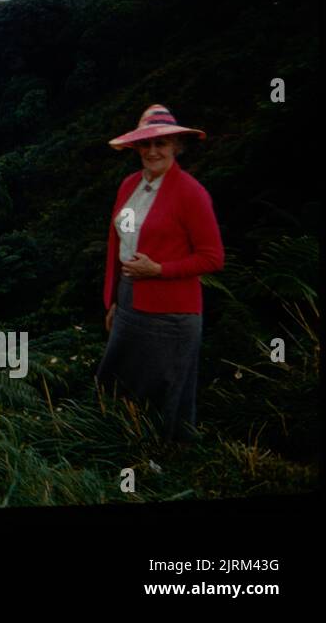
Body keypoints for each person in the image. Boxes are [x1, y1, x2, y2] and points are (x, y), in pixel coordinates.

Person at [95, 104, 224, 441]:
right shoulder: (128, 186)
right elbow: (116, 243)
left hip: (171, 312)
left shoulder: (191, 194)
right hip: (128, 301)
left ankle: (166, 462)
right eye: (146, 145)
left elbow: (212, 258)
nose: (153, 151)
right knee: (117, 380)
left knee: (165, 392)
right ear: (136, 148)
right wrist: (112, 300)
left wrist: (159, 269)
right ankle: (122, 450)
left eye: (161, 144)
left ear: (176, 147)